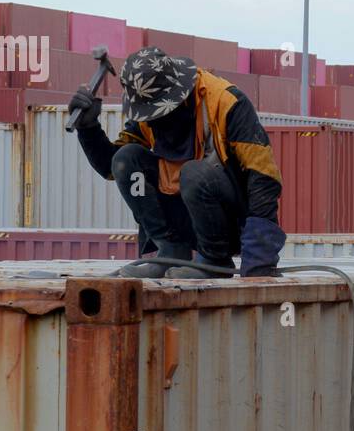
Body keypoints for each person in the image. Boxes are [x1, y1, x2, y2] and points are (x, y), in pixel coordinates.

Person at [67, 46, 286, 278]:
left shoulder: (226, 102)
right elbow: (115, 168)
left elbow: (264, 179)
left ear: (181, 96)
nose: (155, 123)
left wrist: (259, 259)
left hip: (230, 223)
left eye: (161, 114)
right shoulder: (148, 117)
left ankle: (214, 260)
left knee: (193, 173)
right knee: (127, 159)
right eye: (151, 117)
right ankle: (170, 250)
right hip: (186, 219)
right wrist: (89, 129)